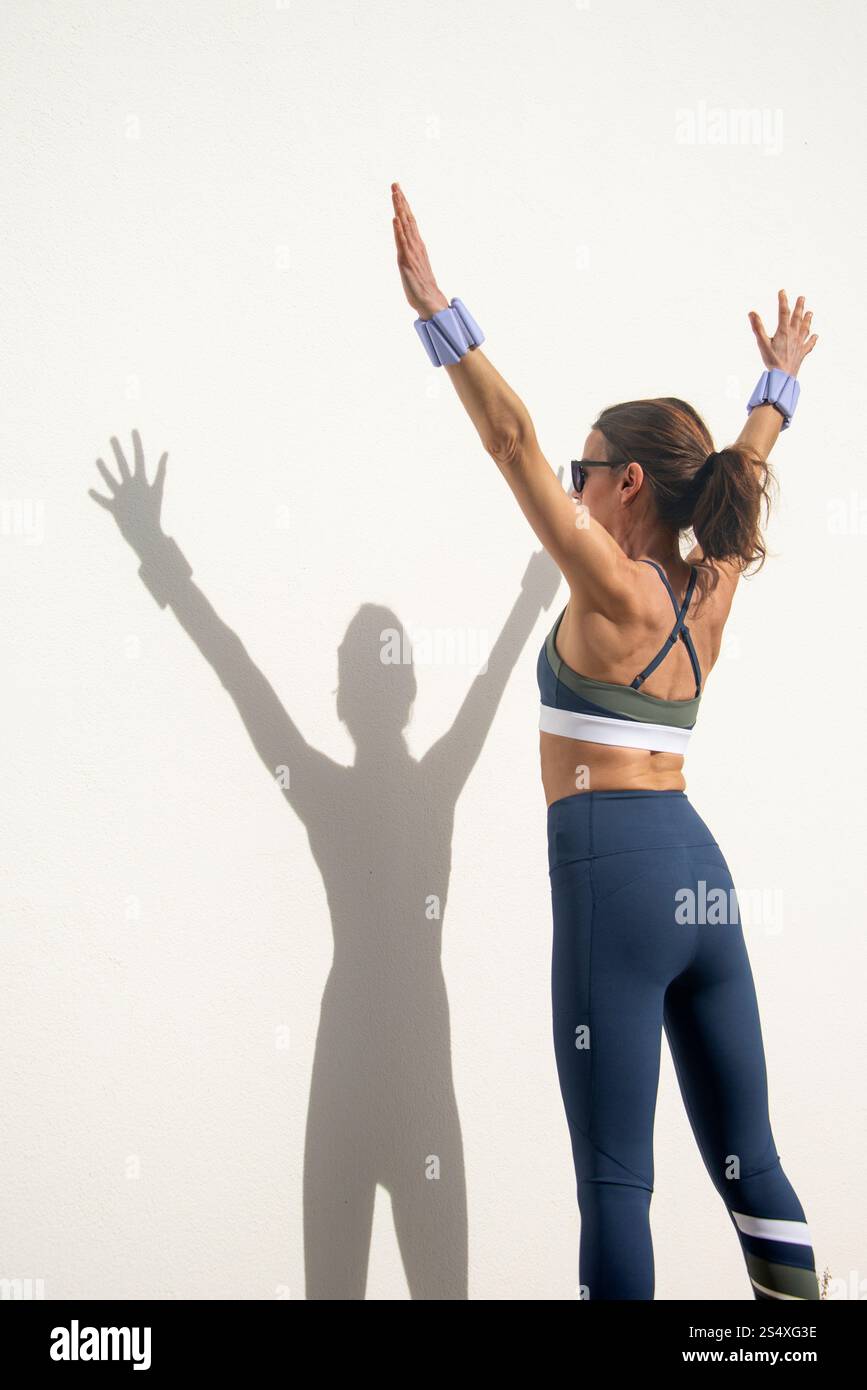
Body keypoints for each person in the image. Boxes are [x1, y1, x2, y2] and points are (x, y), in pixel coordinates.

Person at [391, 180, 820, 1301]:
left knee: (617, 1184)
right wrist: (775, 386)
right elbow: (751, 459)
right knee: (753, 1161)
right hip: (700, 875)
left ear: (627, 485)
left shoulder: (611, 581)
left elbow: (508, 435)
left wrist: (440, 311)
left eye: (588, 473)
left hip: (614, 881)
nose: (570, 485)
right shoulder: (710, 583)